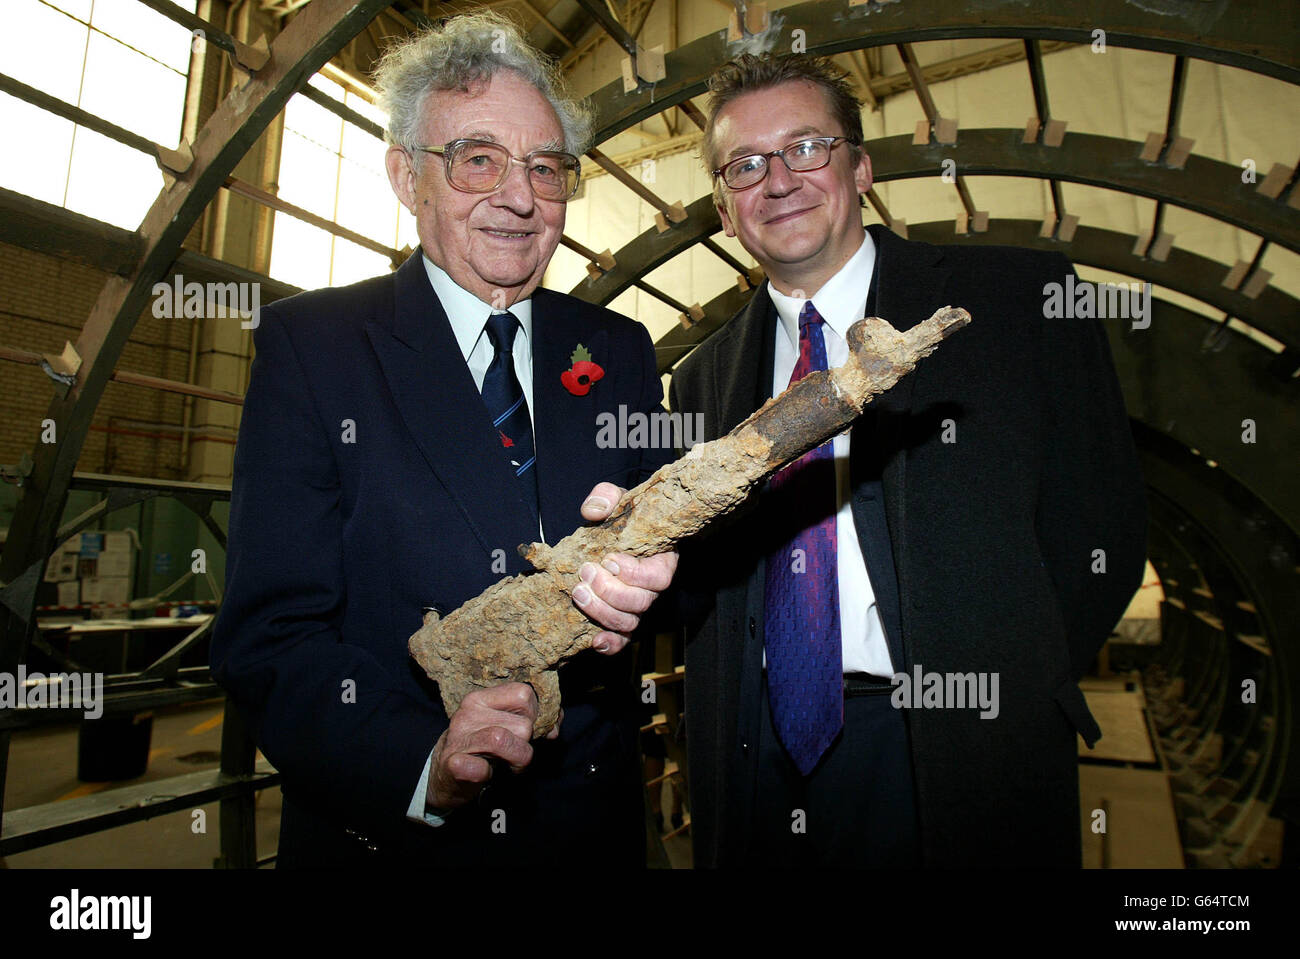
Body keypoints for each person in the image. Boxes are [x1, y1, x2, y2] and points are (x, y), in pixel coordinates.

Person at [211, 13, 676, 869]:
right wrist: (420, 765)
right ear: (404, 175)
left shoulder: (614, 351)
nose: (519, 195)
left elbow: (676, 578)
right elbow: (269, 636)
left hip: (591, 834)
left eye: (545, 167)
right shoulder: (314, 350)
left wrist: (657, 582)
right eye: (477, 158)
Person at [668, 53, 1147, 868]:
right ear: (723, 206)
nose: (778, 179)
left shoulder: (1014, 304)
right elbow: (698, 586)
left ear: (860, 164)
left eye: (807, 147)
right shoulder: (700, 378)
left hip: (954, 750)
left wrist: (1007, 675)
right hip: (755, 756)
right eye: (745, 165)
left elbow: (1101, 528)